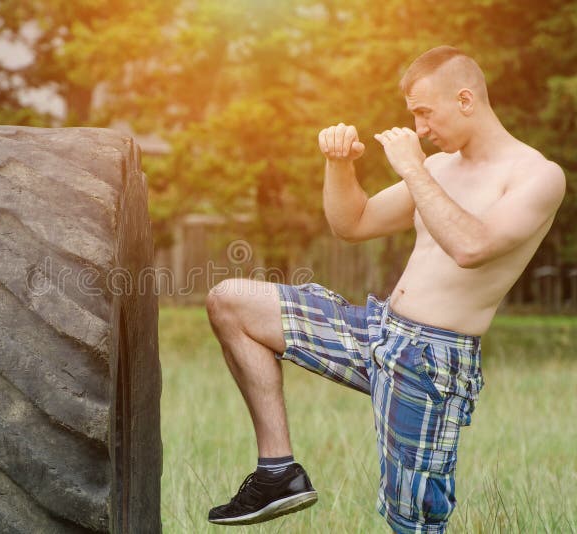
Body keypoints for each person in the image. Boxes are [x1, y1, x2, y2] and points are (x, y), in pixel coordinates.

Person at [205, 45, 565, 532]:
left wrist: (413, 168)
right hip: (377, 330)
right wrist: (339, 164)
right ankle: (277, 471)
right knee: (232, 303)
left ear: (465, 99)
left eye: (423, 113)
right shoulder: (440, 169)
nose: (419, 129)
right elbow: (352, 224)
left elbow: (471, 247)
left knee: (411, 521)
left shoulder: (537, 176)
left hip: (431, 360)